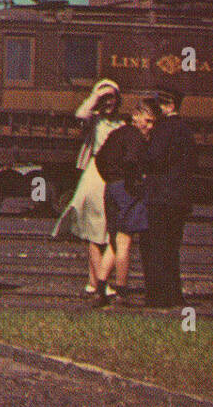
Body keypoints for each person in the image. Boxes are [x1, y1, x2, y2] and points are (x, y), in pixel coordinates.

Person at [52, 79, 123, 295]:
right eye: (105, 98)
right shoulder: (94, 121)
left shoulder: (121, 123)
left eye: (113, 98)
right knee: (95, 229)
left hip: (111, 175)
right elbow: (81, 114)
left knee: (106, 230)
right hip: (94, 175)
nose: (109, 102)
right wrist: (96, 97)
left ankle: (96, 280)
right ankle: (98, 281)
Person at [90, 99, 156, 307]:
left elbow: (99, 158)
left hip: (111, 187)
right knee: (125, 242)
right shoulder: (136, 137)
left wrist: (111, 178)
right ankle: (122, 290)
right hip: (127, 189)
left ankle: (100, 288)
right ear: (137, 116)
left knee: (114, 240)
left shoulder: (118, 132)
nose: (150, 126)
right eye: (148, 120)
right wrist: (136, 179)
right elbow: (131, 160)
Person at [138, 86, 195, 308]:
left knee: (154, 247)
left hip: (160, 197)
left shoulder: (164, 129)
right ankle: (174, 295)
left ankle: (157, 297)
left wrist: (143, 142)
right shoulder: (186, 130)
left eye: (159, 105)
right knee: (171, 248)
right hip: (179, 198)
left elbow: (154, 159)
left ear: (168, 105)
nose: (156, 110)